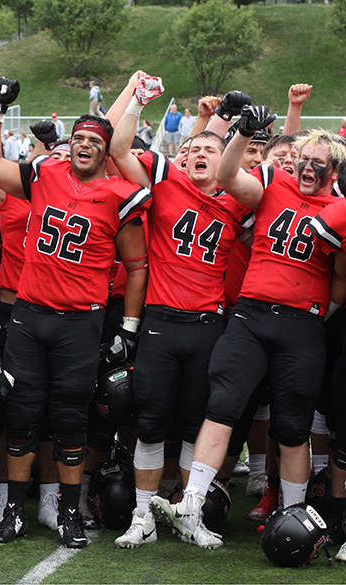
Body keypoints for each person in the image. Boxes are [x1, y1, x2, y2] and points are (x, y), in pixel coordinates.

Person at [152, 115, 346, 550]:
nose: (307, 168)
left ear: (334, 172)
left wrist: (318, 313)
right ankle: (192, 503)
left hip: (302, 324)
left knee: (292, 426)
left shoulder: (339, 208)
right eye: (303, 159)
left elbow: (340, 281)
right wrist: (240, 133)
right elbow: (226, 176)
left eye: (318, 163)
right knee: (222, 403)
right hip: (252, 315)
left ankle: (295, 517)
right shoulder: (274, 183)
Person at [0, 76, 150, 550]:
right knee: (21, 414)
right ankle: (14, 511)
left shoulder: (120, 195)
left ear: (107, 151)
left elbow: (137, 267)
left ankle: (70, 512)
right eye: (79, 138)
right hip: (30, 315)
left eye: (95, 140)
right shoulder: (44, 174)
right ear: (69, 144)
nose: (85, 145)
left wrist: (129, 327)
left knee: (70, 418)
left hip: (80, 321)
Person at [106, 76, 254, 549]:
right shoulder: (165, 183)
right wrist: (137, 100)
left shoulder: (238, 202)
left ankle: (191, 514)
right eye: (195, 150)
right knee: (150, 425)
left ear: (225, 159)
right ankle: (142, 517)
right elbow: (119, 147)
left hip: (209, 325)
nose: (201, 154)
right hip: (161, 322)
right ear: (183, 158)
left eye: (212, 150)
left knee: (195, 426)